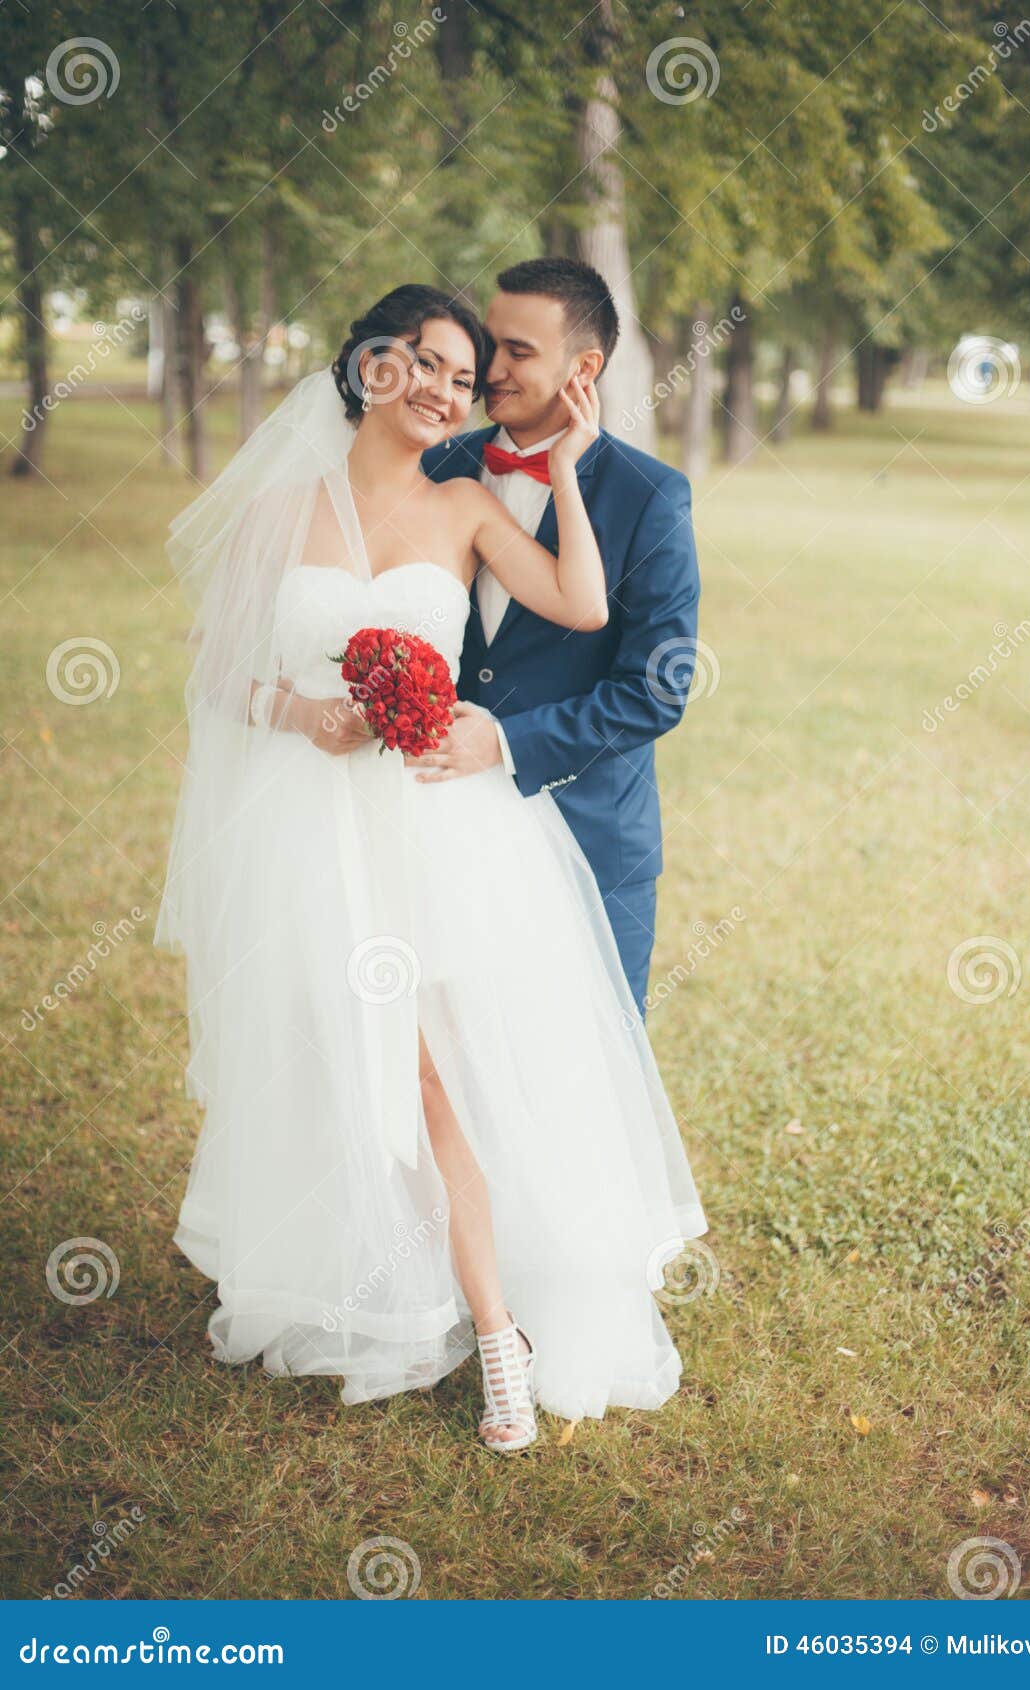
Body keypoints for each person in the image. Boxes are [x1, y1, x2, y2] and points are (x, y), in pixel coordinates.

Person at [155, 284, 706, 1454]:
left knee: (439, 1070)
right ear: (371, 365)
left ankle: (499, 1329)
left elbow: (586, 606)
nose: (459, 389)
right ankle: (377, 1282)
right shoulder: (283, 508)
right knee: (347, 1061)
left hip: (439, 823)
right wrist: (303, 713)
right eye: (434, 365)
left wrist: (568, 469)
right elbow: (214, 669)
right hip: (311, 829)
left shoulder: (466, 501)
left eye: (470, 372)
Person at [422, 258, 701, 1011]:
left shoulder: (650, 497)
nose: (491, 369)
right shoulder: (436, 467)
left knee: (589, 1063)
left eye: (518, 352)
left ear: (584, 368)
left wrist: (503, 743)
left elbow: (656, 691)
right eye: (489, 345)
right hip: (441, 823)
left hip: (590, 838)